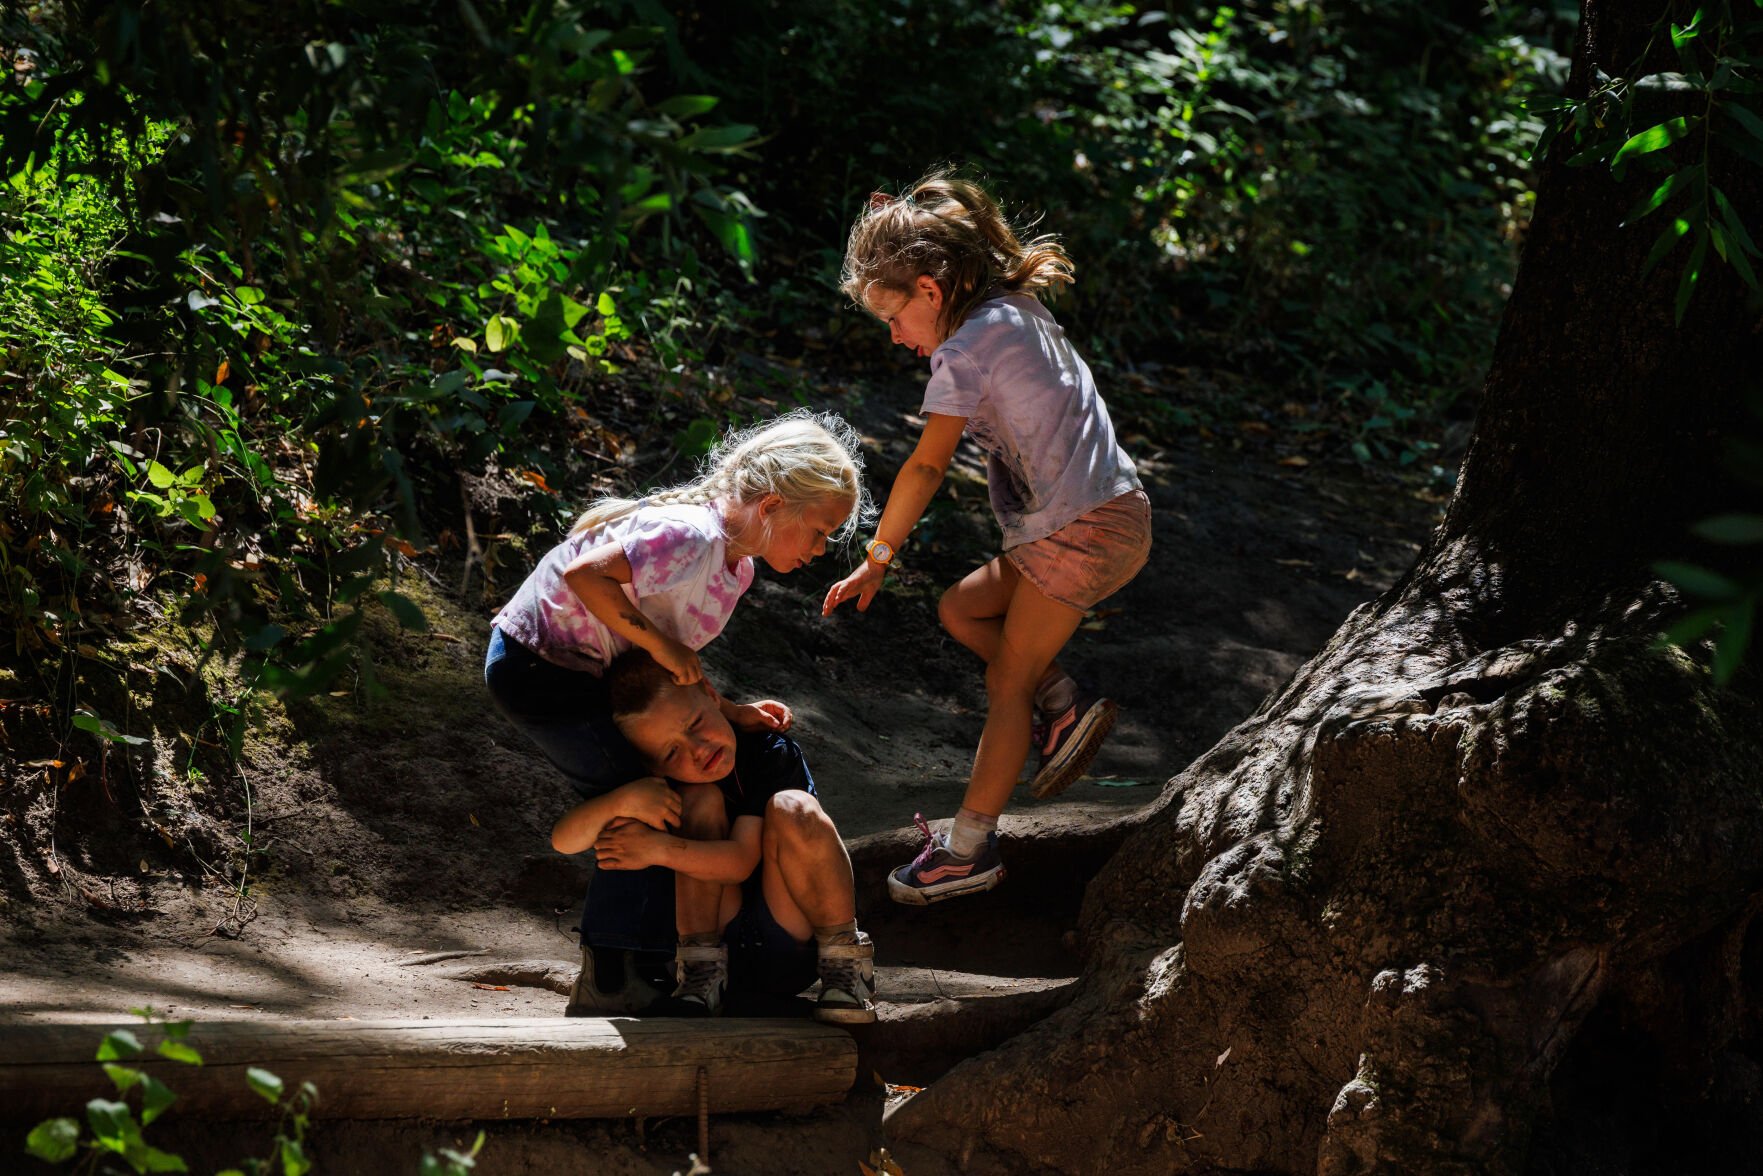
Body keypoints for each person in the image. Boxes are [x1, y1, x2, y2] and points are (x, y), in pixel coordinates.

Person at [823, 170, 1152, 906]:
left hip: (1080, 529)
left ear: (930, 292)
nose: (894, 336)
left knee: (1006, 682)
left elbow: (927, 463)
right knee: (961, 610)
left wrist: (877, 556)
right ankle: (1062, 703)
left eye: (893, 317)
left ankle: (965, 850)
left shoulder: (965, 348)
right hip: (1107, 516)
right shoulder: (1018, 309)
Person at [484, 409, 870, 1002]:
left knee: (663, 796)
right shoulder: (693, 537)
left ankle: (650, 960)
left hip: (589, 672)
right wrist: (657, 641)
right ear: (770, 508)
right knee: (647, 798)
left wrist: (730, 708)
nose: (821, 549)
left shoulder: (733, 570)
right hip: (540, 665)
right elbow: (588, 577)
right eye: (819, 530)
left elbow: (676, 669)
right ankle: (616, 969)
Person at [551, 650, 877, 1023]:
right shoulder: (658, 788)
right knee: (698, 800)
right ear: (652, 765)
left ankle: (844, 963)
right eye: (672, 752)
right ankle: (700, 972)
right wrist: (619, 801)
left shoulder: (769, 753)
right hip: (718, 950)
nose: (698, 749)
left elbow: (739, 862)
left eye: (695, 723)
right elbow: (564, 841)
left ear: (709, 694)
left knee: (793, 805)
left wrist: (657, 849)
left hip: (791, 943)